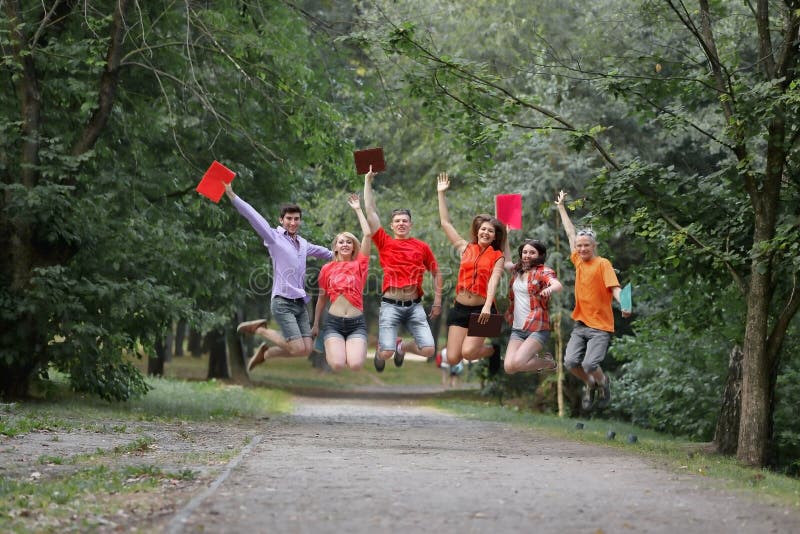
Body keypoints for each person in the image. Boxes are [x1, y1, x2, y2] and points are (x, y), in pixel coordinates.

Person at [223, 182, 333, 371]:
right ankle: (260, 329)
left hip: (300, 303)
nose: (293, 222)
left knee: (306, 349)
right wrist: (232, 195)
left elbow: (327, 253)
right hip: (282, 301)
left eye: (296, 219)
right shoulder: (273, 238)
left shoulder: (303, 243)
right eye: (289, 218)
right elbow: (253, 217)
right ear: (281, 220)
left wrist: (348, 253)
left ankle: (266, 353)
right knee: (297, 347)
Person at [555, 190, 631, 411]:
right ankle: (589, 384)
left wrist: (624, 303)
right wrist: (561, 208)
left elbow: (615, 288)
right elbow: (570, 234)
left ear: (594, 245)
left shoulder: (602, 264)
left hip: (600, 327)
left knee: (590, 363)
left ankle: (604, 382)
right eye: (579, 246)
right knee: (570, 363)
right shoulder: (578, 261)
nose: (581, 248)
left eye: (586, 245)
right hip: (581, 324)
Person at [364, 166, 443, 372]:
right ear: (391, 225)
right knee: (386, 354)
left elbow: (436, 273)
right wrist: (368, 182)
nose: (401, 224)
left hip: (414, 306)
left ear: (411, 224)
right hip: (390, 305)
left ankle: (402, 346)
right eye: (397, 221)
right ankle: (385, 350)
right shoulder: (384, 242)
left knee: (428, 350)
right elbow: (370, 212)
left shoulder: (422, 246)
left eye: (404, 221)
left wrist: (437, 301)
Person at [436, 172, 506, 366]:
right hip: (460, 308)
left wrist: (486, 306)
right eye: (483, 229)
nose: (486, 232)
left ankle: (493, 350)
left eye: (490, 231)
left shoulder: (497, 256)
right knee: (452, 358)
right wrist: (441, 193)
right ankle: (491, 350)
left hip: (483, 309)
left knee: (468, 353)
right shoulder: (464, 248)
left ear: (494, 236)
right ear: (478, 231)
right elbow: (445, 223)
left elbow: (493, 281)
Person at [311, 193, 372, 371]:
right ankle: (329, 342)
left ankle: (347, 348)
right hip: (334, 322)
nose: (345, 244)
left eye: (349, 242)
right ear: (336, 247)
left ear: (354, 246)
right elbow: (322, 299)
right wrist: (315, 324)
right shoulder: (326, 269)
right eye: (341, 242)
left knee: (355, 365)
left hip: (356, 323)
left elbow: (368, 234)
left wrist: (358, 209)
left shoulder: (360, 265)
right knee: (337, 364)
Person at [503, 239, 563, 374]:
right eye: (524, 252)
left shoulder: (543, 271)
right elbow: (506, 262)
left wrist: (550, 289)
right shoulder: (517, 270)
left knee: (518, 363)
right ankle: (534, 360)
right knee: (509, 368)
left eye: (532, 252)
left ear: (540, 255)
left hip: (538, 327)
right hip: (518, 328)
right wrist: (506, 237)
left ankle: (548, 362)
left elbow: (557, 285)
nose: (527, 255)